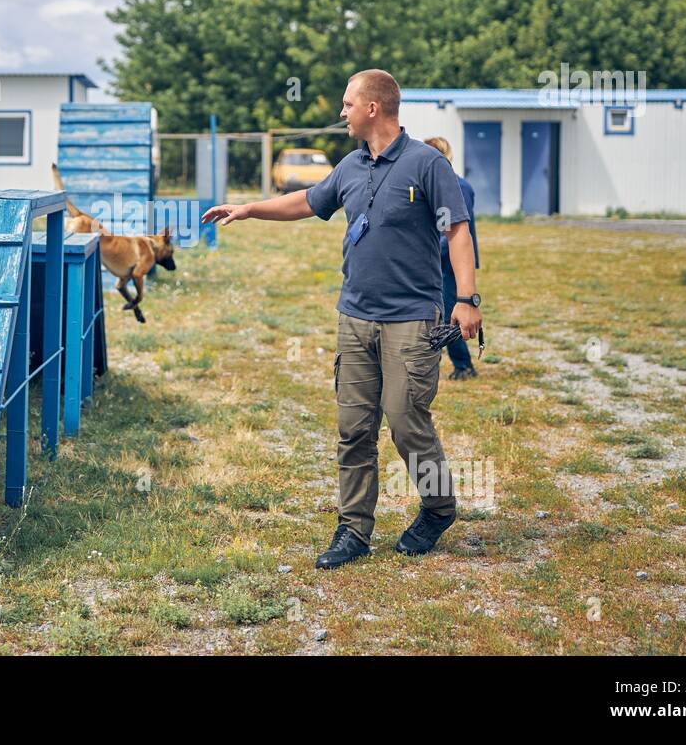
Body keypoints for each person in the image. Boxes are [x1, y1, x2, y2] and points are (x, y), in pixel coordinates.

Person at [201, 69, 482, 569]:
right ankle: (353, 530)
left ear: (373, 108)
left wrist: (467, 299)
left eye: (348, 103)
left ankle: (438, 508)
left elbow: (457, 230)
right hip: (354, 318)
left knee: (405, 421)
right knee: (353, 428)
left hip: (411, 320)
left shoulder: (426, 164)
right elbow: (306, 203)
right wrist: (248, 209)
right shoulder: (350, 165)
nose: (342, 111)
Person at [424, 137, 480, 380]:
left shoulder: (458, 187)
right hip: (438, 260)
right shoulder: (435, 185)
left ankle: (463, 365)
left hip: (450, 263)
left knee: (449, 314)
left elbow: (453, 230)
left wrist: (431, 252)